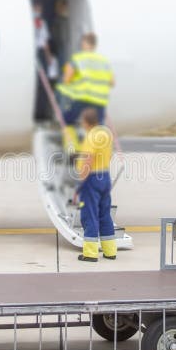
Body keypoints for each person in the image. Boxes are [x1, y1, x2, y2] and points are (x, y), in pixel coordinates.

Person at [55, 32, 114, 151]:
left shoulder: (78, 58)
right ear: (95, 45)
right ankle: (100, 153)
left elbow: (67, 79)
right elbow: (112, 82)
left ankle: (72, 148)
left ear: (85, 43)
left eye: (82, 43)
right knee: (98, 127)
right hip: (99, 100)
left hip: (83, 98)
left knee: (67, 121)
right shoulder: (104, 61)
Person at [74, 108, 117, 262]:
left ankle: (91, 253)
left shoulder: (91, 136)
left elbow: (88, 158)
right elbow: (109, 154)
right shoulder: (105, 133)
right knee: (104, 214)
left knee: (89, 215)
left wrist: (81, 180)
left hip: (92, 178)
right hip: (104, 176)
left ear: (86, 122)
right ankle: (110, 251)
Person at [33, 2, 58, 120]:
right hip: (39, 52)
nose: (39, 11)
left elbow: (45, 42)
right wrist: (48, 58)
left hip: (37, 52)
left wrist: (48, 58)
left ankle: (39, 112)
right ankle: (40, 113)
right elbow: (45, 43)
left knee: (40, 84)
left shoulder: (40, 22)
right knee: (42, 84)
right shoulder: (41, 23)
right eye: (37, 8)